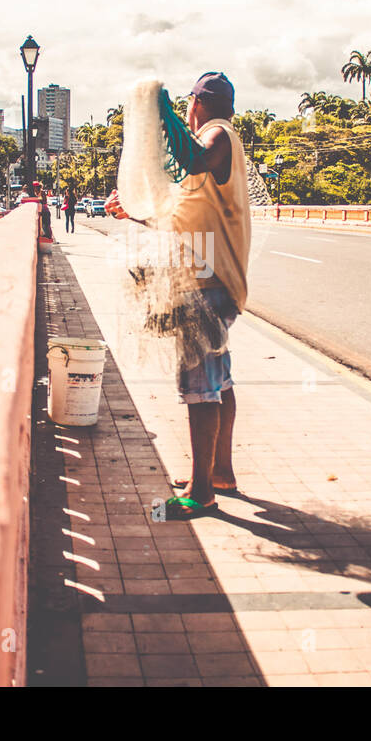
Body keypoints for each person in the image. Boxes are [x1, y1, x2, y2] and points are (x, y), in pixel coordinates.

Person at [106, 72, 250, 520]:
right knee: (219, 382)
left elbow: (192, 158)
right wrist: (133, 212)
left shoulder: (218, 135)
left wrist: (157, 107)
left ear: (197, 104)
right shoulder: (213, 148)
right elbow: (182, 218)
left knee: (201, 389)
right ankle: (219, 472)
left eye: (188, 105)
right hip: (213, 281)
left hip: (208, 286)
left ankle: (202, 492)